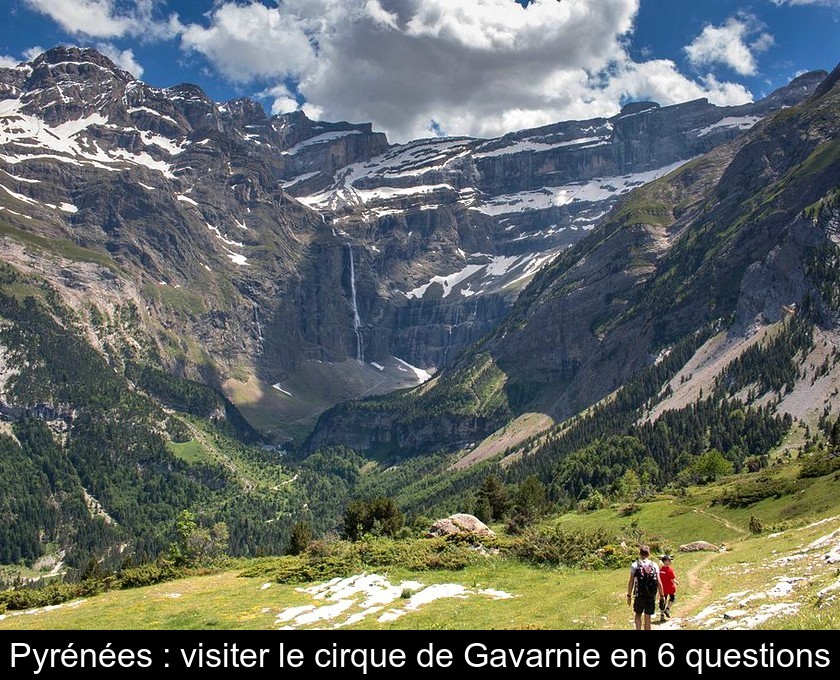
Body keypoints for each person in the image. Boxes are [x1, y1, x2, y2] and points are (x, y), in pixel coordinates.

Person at [626, 544, 664, 630]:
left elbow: (631, 581)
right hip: (651, 594)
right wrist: (662, 595)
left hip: (639, 594)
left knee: (638, 614)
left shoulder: (635, 565)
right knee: (648, 616)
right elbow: (659, 581)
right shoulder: (654, 565)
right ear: (649, 553)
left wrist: (629, 595)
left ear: (640, 553)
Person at [658, 554, 678, 621]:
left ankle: (661, 615)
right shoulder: (670, 570)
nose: (670, 561)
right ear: (665, 561)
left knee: (662, 601)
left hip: (662, 588)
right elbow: (672, 579)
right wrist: (676, 582)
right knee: (673, 598)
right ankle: (667, 609)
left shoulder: (660, 570)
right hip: (670, 588)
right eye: (669, 560)